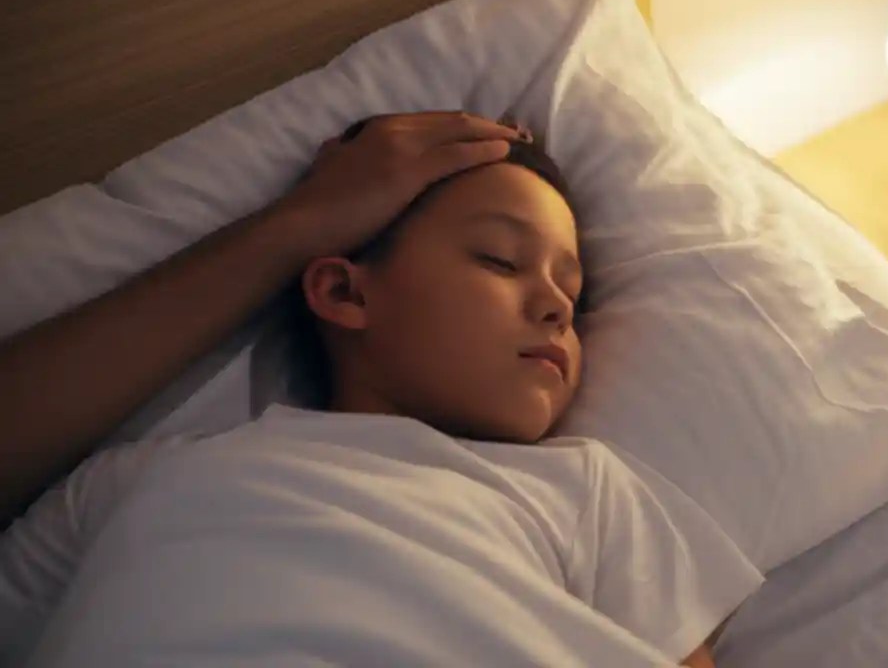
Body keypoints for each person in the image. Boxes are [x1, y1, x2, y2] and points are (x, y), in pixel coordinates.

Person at [0, 113, 762, 667]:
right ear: (343, 291)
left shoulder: (585, 491)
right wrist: (297, 224)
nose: (558, 306)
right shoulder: (140, 481)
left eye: (572, 291)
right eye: (500, 260)